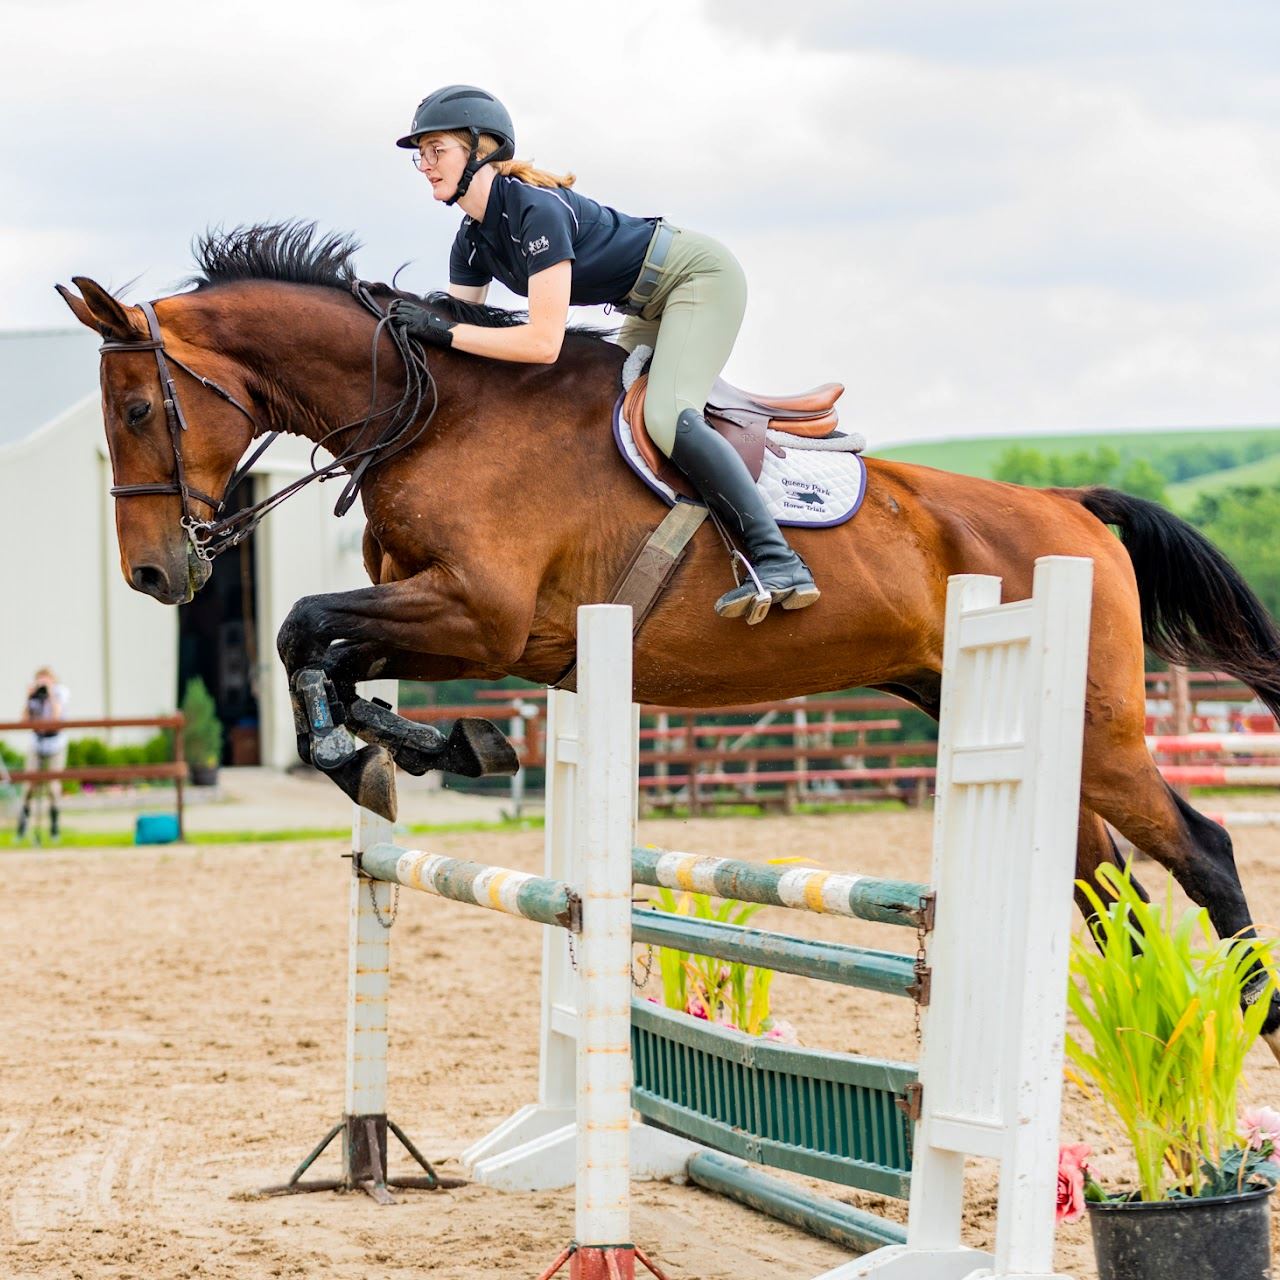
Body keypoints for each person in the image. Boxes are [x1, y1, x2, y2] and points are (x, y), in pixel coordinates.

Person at [391, 85, 819, 623]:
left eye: (437, 151)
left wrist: (441, 333)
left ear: (482, 148)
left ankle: (778, 560)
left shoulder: (533, 210)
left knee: (665, 416)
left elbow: (542, 343)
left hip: (696, 278)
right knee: (600, 417)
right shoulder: (472, 240)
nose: (426, 166)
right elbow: (456, 344)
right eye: (420, 156)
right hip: (640, 302)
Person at [17, 666, 69, 841]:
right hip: (36, 742)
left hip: (55, 744)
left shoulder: (60, 694)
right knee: (28, 786)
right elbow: (23, 721)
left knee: (53, 787)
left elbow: (56, 717)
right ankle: (22, 828)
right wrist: (28, 697)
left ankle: (55, 829)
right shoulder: (33, 696)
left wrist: (50, 694)